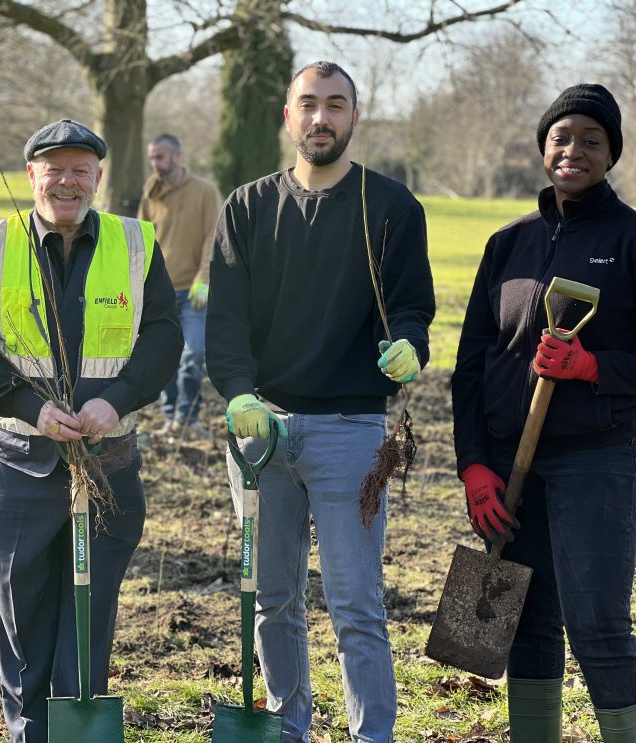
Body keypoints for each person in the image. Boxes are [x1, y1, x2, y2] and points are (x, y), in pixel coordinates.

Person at [206, 61, 435, 742]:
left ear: (354, 118)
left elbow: (410, 304)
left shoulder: (391, 207)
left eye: (336, 105)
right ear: (288, 116)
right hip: (262, 430)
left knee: (355, 602)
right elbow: (227, 318)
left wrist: (410, 343)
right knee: (273, 599)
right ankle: (287, 725)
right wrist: (239, 389)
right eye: (308, 104)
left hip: (351, 431)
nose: (321, 118)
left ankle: (373, 735)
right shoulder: (247, 208)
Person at [0, 119, 182, 742]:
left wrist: (119, 400)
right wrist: (29, 406)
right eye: (55, 169)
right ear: (32, 176)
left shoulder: (136, 244)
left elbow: (163, 336)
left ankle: (77, 732)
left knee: (88, 615)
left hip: (108, 461)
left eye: (81, 170)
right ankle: (31, 733)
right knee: (22, 613)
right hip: (17, 461)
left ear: (98, 178)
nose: (68, 181)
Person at [452, 84, 636, 742]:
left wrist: (593, 366)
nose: (573, 150)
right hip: (508, 462)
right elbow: (470, 363)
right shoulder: (508, 244)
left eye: (592, 139)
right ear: (543, 146)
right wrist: (474, 465)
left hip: (598, 458)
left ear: (611, 152)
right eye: (561, 137)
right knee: (523, 622)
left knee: (598, 624)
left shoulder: (629, 238)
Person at [138, 133, 221, 439]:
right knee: (165, 358)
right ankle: (172, 418)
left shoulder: (205, 191)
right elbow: (142, 242)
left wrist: (204, 278)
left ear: (177, 156)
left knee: (194, 353)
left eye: (160, 156)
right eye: (151, 158)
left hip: (193, 291)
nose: (155, 163)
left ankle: (190, 418)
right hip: (159, 294)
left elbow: (214, 236)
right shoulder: (152, 194)